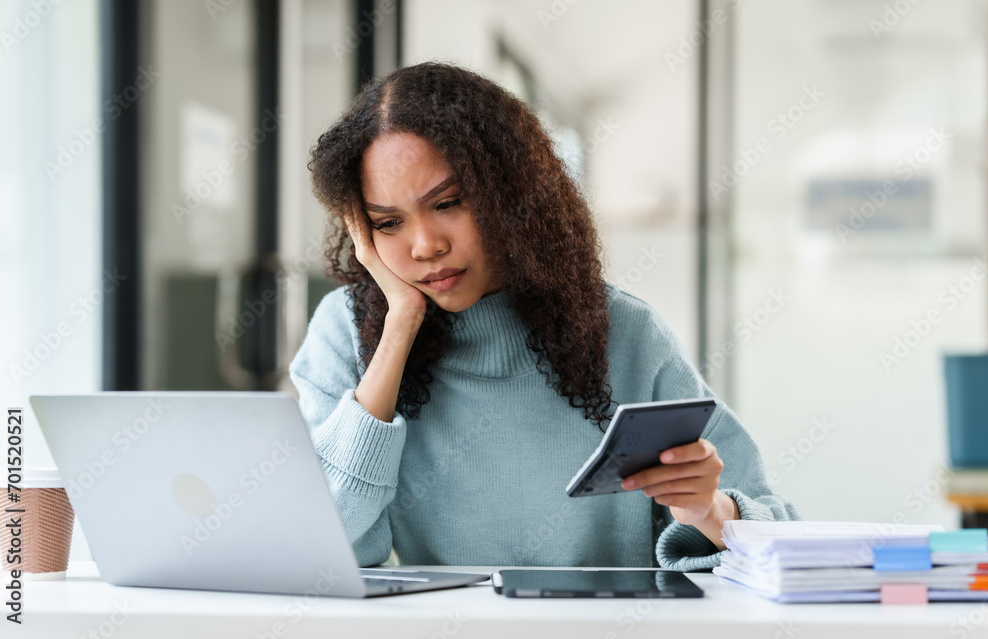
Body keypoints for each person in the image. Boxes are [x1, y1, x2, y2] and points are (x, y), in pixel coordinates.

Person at [290, 61, 798, 571]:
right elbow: (327, 546)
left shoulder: (624, 331)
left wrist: (707, 510)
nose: (426, 245)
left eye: (448, 203)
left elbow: (778, 537)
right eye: (388, 222)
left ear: (508, 193)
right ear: (361, 232)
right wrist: (399, 324)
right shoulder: (345, 331)